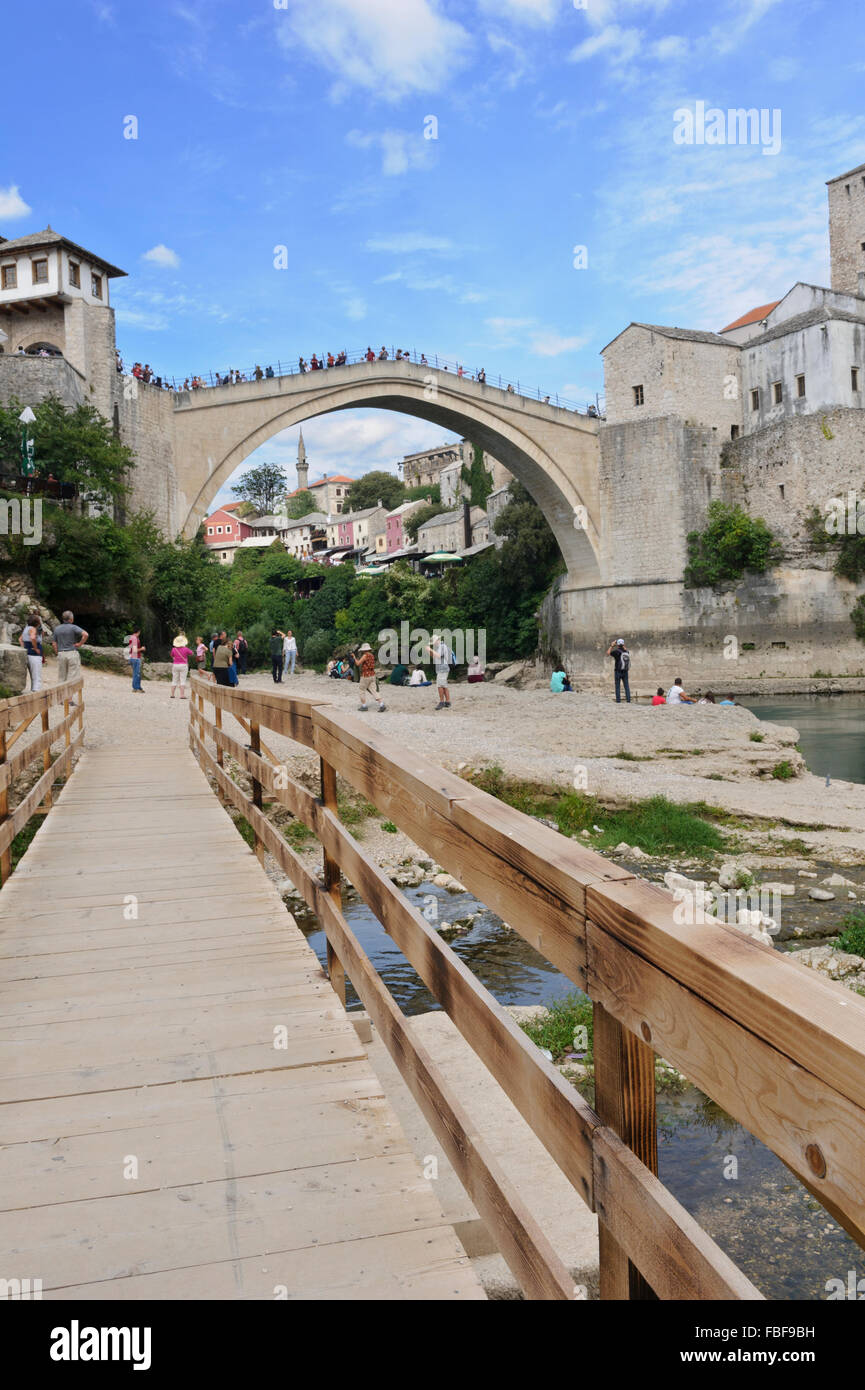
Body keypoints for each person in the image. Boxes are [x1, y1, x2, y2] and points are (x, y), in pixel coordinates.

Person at [52, 611, 88, 696]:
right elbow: (85, 634)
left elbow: (54, 643)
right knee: (72, 677)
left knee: (62, 676)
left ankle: (60, 697)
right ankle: (69, 699)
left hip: (61, 653)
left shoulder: (57, 629)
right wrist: (79, 644)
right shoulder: (73, 627)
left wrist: (57, 652)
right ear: (71, 619)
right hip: (72, 653)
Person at [356, 642, 386, 712]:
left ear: (363, 650)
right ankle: (381, 704)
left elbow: (358, 664)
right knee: (374, 690)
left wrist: (354, 657)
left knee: (361, 690)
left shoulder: (365, 655)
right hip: (372, 675)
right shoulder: (372, 655)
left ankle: (364, 706)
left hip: (365, 675)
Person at [427, 636, 453, 710]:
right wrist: (429, 651)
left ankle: (441, 702)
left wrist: (430, 649)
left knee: (439, 685)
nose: (433, 644)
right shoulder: (439, 647)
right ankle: (447, 702)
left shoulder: (442, 646)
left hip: (442, 668)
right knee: (444, 685)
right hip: (442, 668)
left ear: (437, 640)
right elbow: (434, 656)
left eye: (434, 642)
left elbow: (438, 656)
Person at [20, 614, 44, 691]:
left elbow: (20, 639)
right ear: (37, 622)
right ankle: (36, 692)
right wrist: (36, 648)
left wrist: (24, 648)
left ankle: (33, 691)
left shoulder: (26, 628)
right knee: (36, 676)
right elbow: (33, 637)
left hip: (27, 652)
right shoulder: (33, 629)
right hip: (34, 655)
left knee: (32, 675)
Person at [607, 638, 631, 703]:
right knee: (626, 686)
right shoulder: (626, 651)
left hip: (618, 671)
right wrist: (623, 645)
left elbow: (608, 653)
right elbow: (625, 649)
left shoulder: (616, 651)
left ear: (617, 644)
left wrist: (612, 645)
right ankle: (628, 700)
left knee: (617, 686)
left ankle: (618, 701)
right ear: (623, 644)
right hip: (625, 671)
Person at [170, 634, 193, 699]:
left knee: (174, 679)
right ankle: (182, 695)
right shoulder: (186, 649)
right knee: (182, 680)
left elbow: (172, 655)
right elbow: (191, 653)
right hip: (183, 665)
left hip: (175, 665)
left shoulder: (174, 649)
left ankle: (172, 694)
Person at [126, 624, 145, 693]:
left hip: (133, 657)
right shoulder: (134, 638)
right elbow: (134, 650)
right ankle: (135, 688)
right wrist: (142, 648)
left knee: (137, 673)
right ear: (138, 631)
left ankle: (138, 687)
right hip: (135, 658)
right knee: (136, 674)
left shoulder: (132, 637)